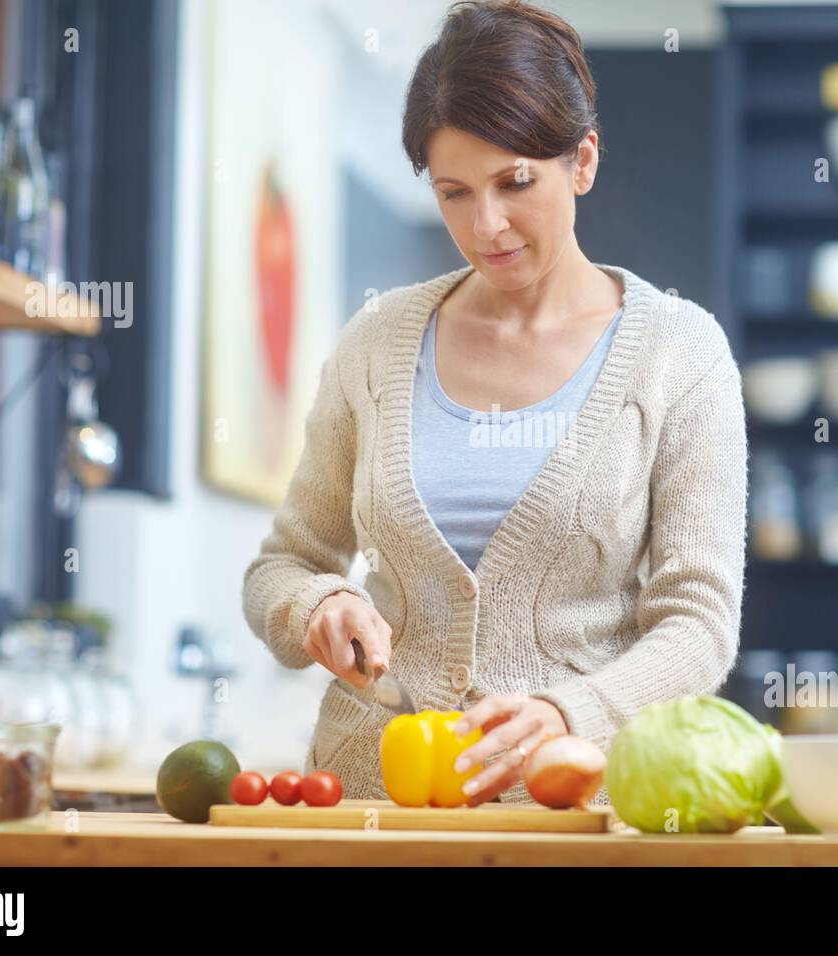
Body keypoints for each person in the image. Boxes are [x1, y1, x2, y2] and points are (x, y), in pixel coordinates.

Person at [242, 0, 747, 805]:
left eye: (516, 183)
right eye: (453, 193)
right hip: (372, 807)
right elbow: (285, 564)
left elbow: (699, 623)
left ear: (581, 161)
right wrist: (318, 603)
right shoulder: (376, 343)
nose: (487, 226)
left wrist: (568, 712)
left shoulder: (681, 355)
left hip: (572, 811)